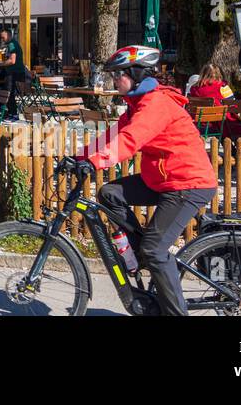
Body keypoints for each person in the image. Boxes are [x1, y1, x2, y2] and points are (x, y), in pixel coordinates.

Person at [83, 45, 217, 317]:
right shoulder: (136, 105)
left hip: (188, 183)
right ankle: (140, 251)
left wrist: (94, 162)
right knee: (110, 193)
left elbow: (130, 141)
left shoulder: (156, 104)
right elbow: (114, 135)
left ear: (135, 74)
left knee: (155, 250)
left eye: (117, 75)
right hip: (162, 180)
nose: (113, 81)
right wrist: (78, 157)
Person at [187, 63, 241, 139]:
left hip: (200, 124)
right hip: (219, 125)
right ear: (218, 74)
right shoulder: (222, 87)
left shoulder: (193, 89)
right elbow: (233, 105)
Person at [0, 28, 28, 119]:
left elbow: (12, 60)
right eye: (1, 38)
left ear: (9, 35)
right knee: (7, 92)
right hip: (15, 72)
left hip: (14, 73)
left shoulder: (12, 44)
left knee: (9, 93)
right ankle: (10, 112)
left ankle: (13, 113)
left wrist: (0, 65)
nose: (2, 40)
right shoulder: (12, 44)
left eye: (3, 37)